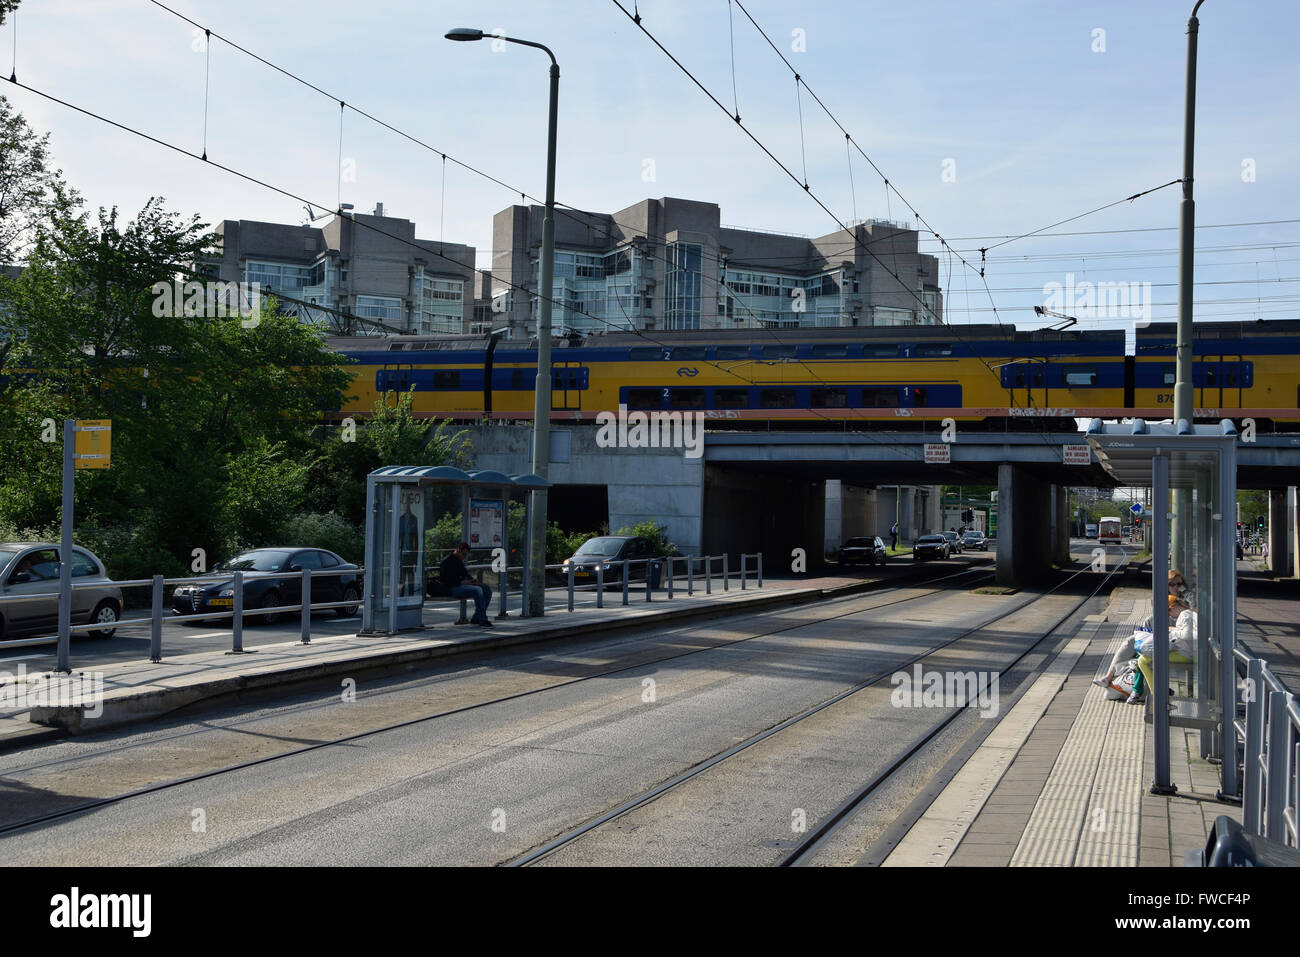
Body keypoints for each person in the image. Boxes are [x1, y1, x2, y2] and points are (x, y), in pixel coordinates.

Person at [440, 542, 493, 626]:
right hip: (452, 588)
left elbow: (465, 574)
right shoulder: (446, 562)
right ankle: (483, 619)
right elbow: (446, 581)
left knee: (486, 589)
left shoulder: (459, 561)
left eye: (466, 555)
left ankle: (476, 617)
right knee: (477, 590)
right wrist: (463, 582)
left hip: (462, 585)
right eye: (463, 554)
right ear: (458, 550)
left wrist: (472, 581)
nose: (464, 557)